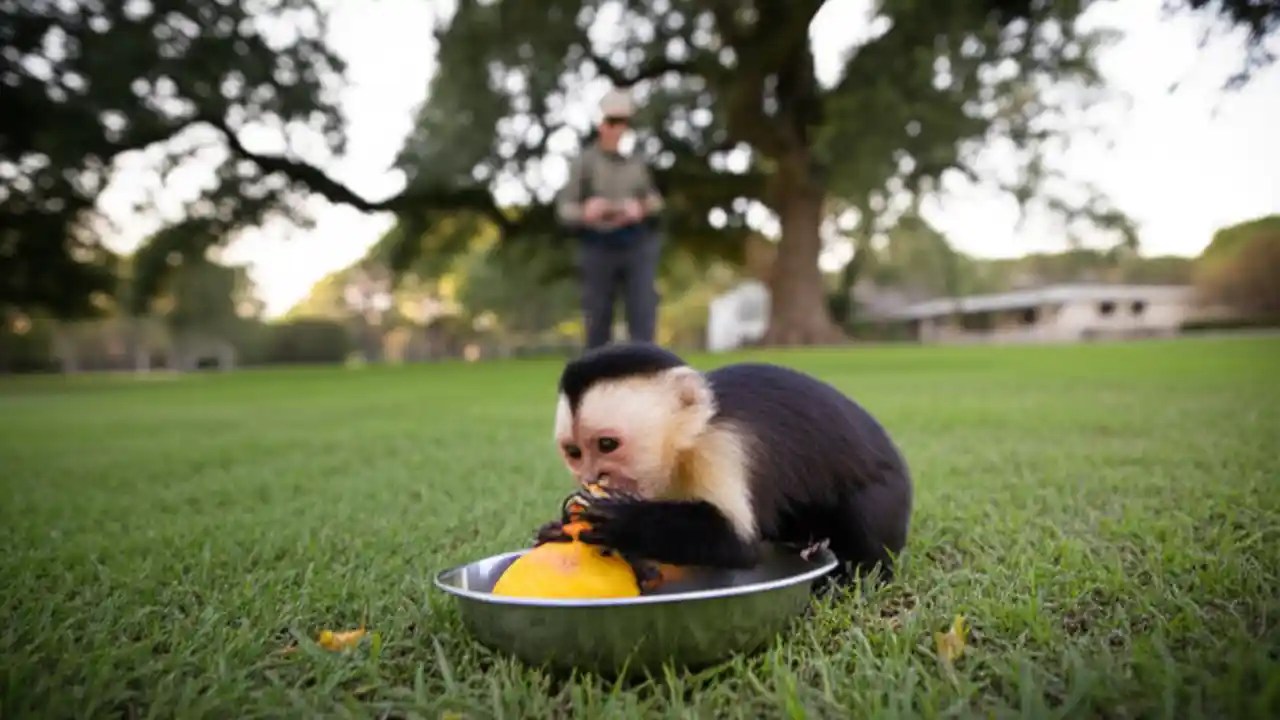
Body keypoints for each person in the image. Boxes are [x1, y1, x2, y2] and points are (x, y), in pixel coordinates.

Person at [556, 88, 664, 350]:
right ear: (601, 125)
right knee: (597, 319)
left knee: (643, 315)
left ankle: (645, 369)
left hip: (635, 244)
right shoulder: (584, 162)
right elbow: (564, 209)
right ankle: (597, 372)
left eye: (623, 122)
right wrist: (586, 211)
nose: (617, 129)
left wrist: (640, 208)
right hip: (598, 245)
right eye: (612, 122)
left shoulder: (636, 162)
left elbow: (656, 201)